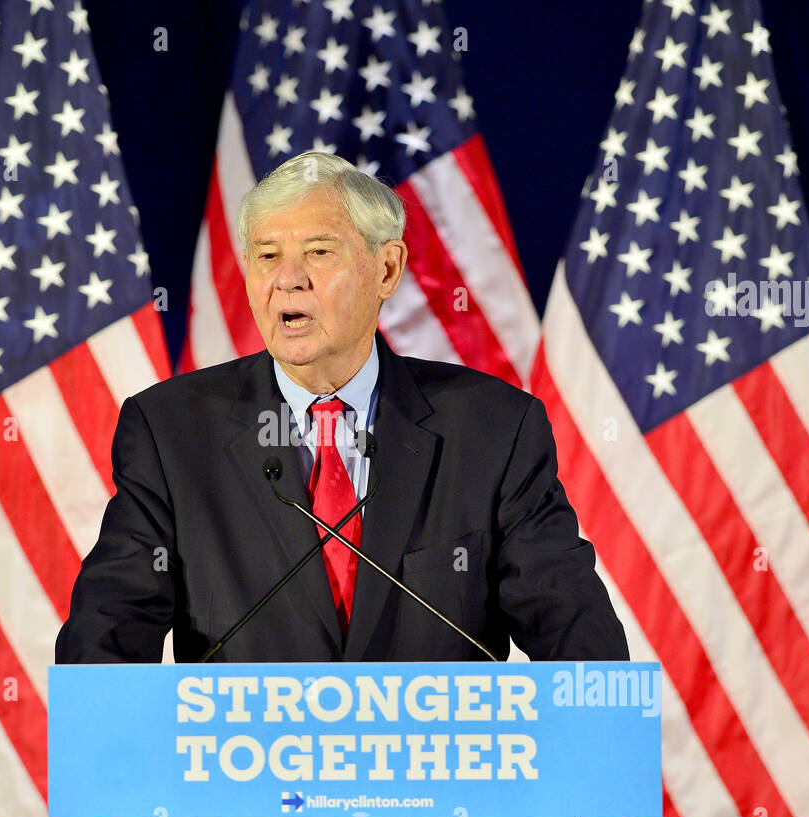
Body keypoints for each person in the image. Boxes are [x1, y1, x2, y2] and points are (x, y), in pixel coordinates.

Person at [56, 151, 627, 664]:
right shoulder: (172, 433)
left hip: (432, 777)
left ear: (386, 269)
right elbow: (107, 635)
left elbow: (576, 635)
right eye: (267, 255)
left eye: (318, 253)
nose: (287, 281)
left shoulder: (494, 432)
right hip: (246, 774)